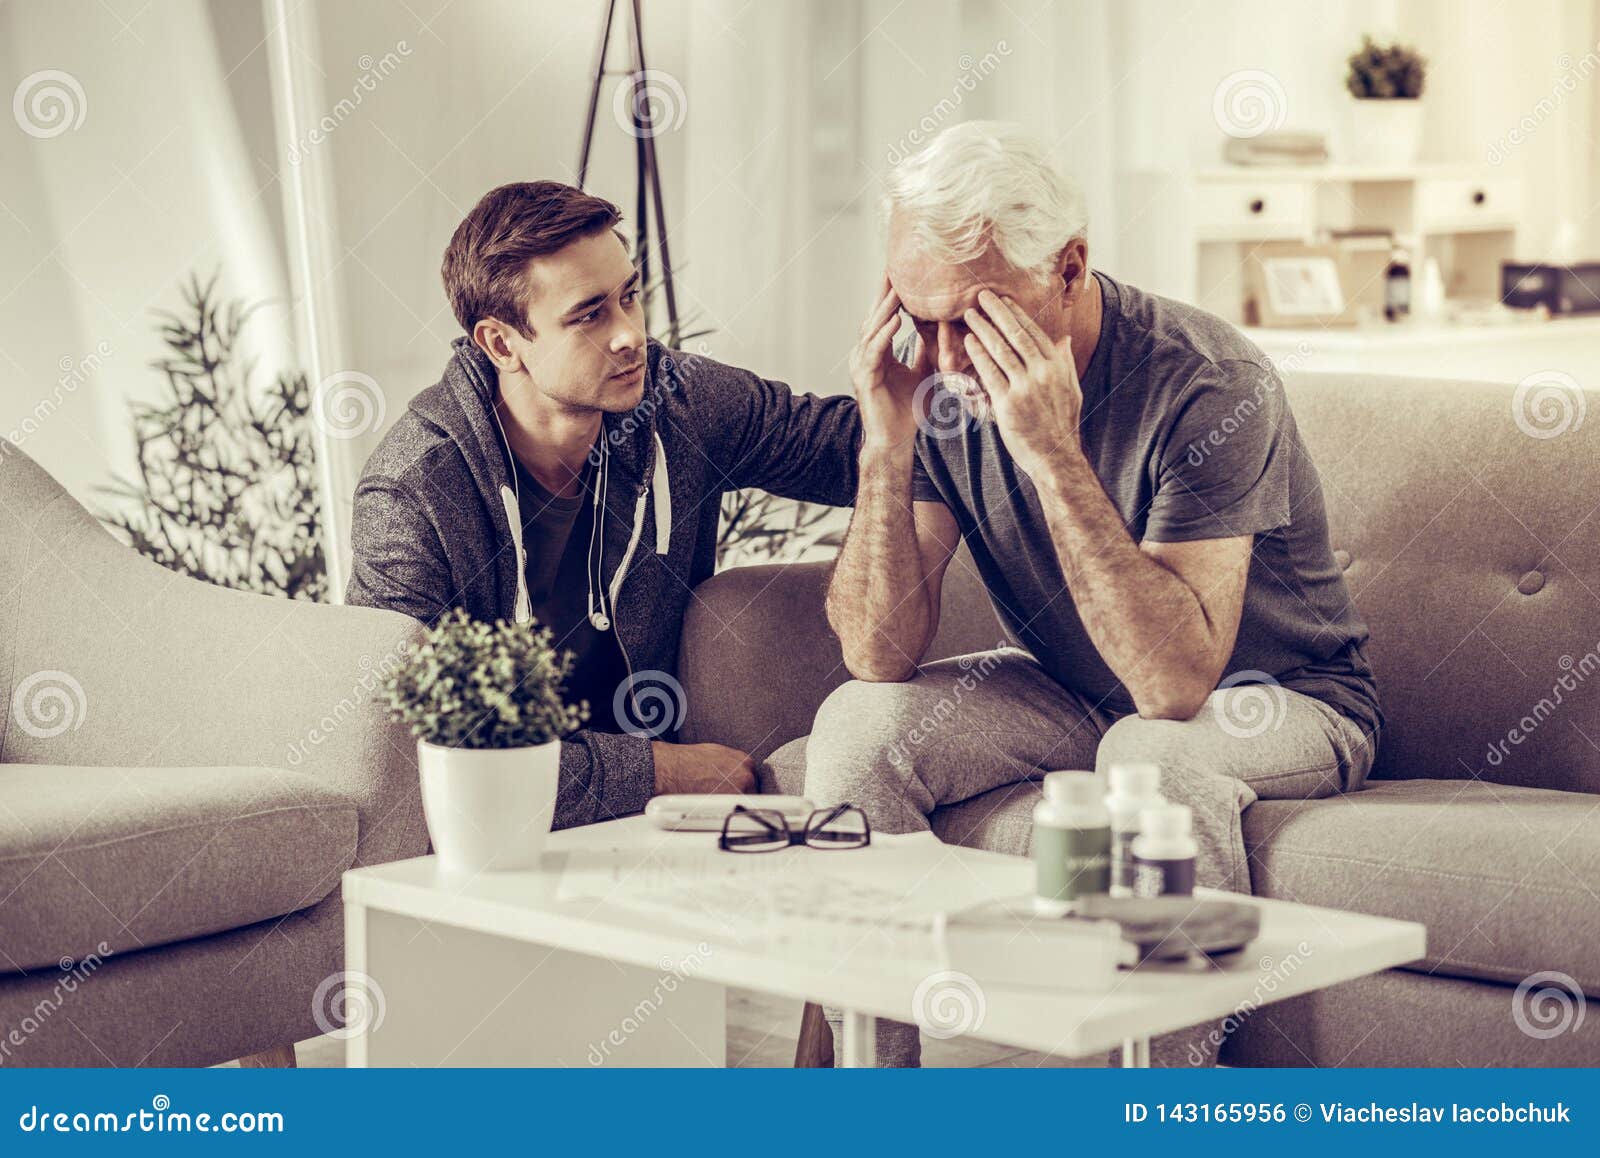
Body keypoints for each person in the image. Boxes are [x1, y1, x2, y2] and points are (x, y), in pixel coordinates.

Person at [772, 122, 1381, 1067]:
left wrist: (1052, 452)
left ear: (1069, 267)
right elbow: (877, 652)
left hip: (1280, 700)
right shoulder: (933, 384)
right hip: (1074, 692)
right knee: (857, 723)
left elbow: (1173, 687)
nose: (942, 356)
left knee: (1149, 759)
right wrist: (884, 441)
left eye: (974, 318)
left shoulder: (1208, 384)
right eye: (917, 316)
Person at [347, 180, 860, 829]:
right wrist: (656, 772)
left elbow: (852, 449)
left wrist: (981, 411)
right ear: (502, 343)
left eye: (629, 296)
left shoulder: (677, 402)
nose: (629, 336)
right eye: (589, 315)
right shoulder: (415, 494)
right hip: (501, 838)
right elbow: (410, 751)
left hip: (667, 824)